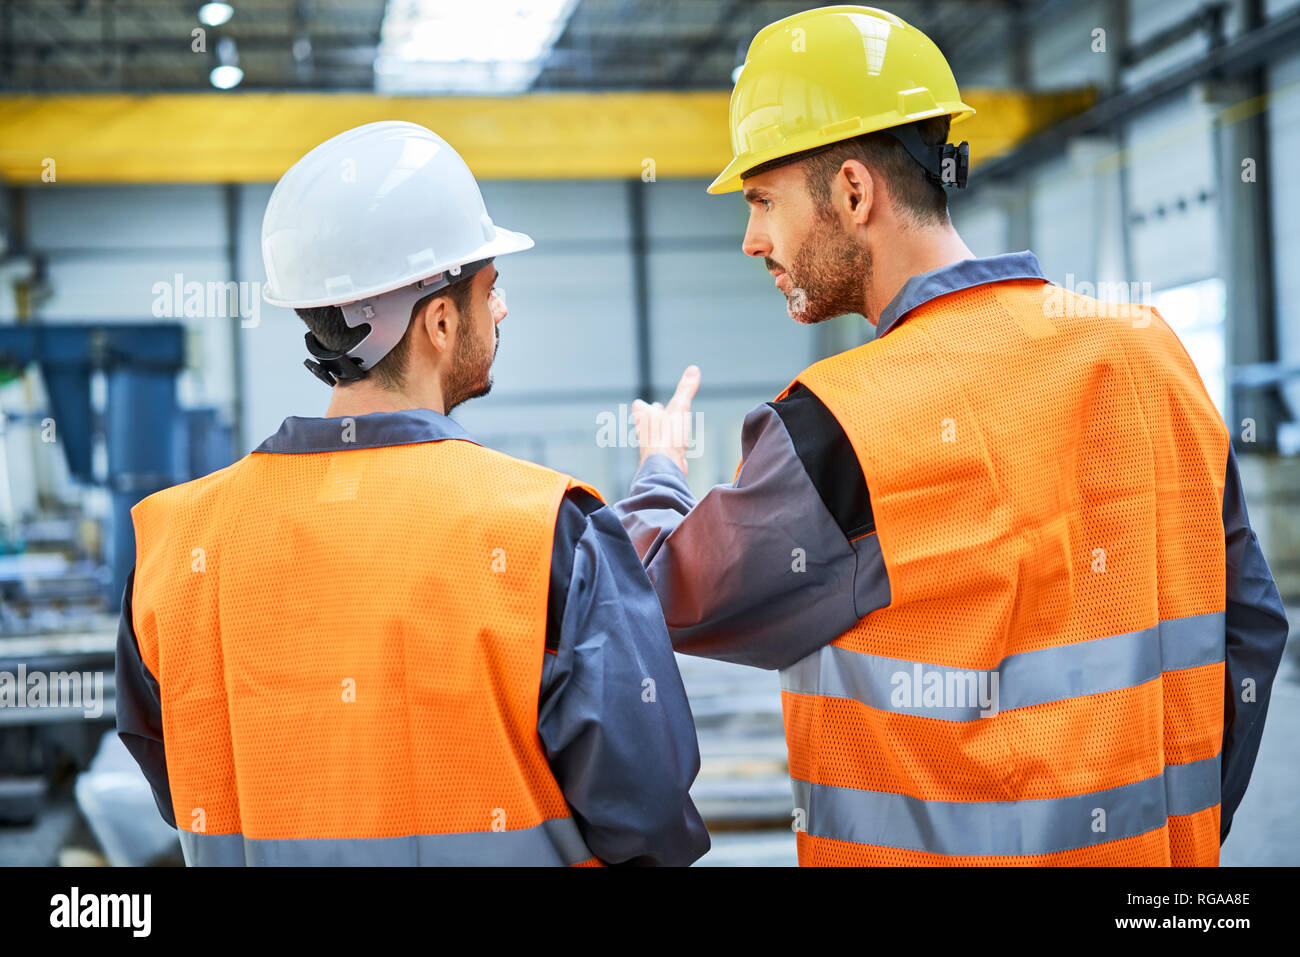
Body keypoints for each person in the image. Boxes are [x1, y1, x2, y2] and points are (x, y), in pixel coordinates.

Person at [615, 5, 1289, 866]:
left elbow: (659, 593)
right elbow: (1252, 628)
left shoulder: (842, 428)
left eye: (761, 200)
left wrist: (661, 471)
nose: (752, 240)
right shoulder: (1149, 351)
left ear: (854, 192)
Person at [116, 121, 709, 867]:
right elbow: (645, 814)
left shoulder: (175, 544)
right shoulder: (547, 529)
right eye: (491, 289)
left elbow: (181, 783)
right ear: (438, 320)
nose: (501, 310)